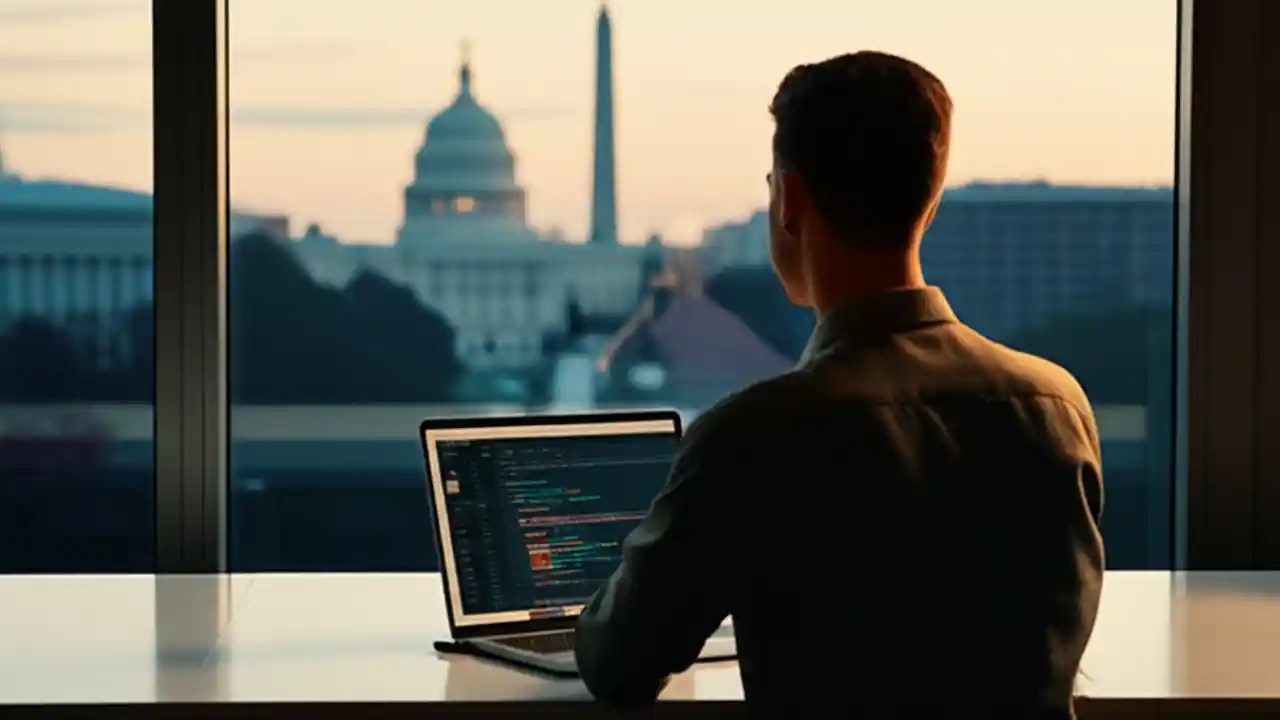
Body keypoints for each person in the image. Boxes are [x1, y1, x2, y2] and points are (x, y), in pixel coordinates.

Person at [574, 51, 1104, 718]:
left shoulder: (756, 436)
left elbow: (618, 663)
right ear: (930, 202)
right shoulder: (1057, 405)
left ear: (789, 200)